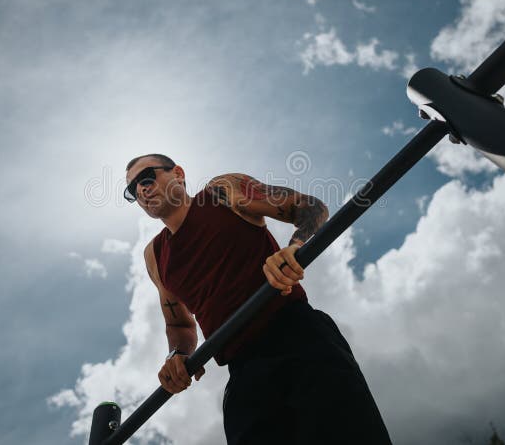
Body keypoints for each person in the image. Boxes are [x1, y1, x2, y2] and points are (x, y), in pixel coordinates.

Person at [124, 153, 392, 444]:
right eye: (132, 189)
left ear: (177, 173)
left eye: (147, 177)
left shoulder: (221, 191)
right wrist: (177, 355)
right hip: (242, 372)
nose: (141, 189)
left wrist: (295, 248)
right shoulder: (155, 256)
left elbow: (309, 206)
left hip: (299, 338)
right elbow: (179, 326)